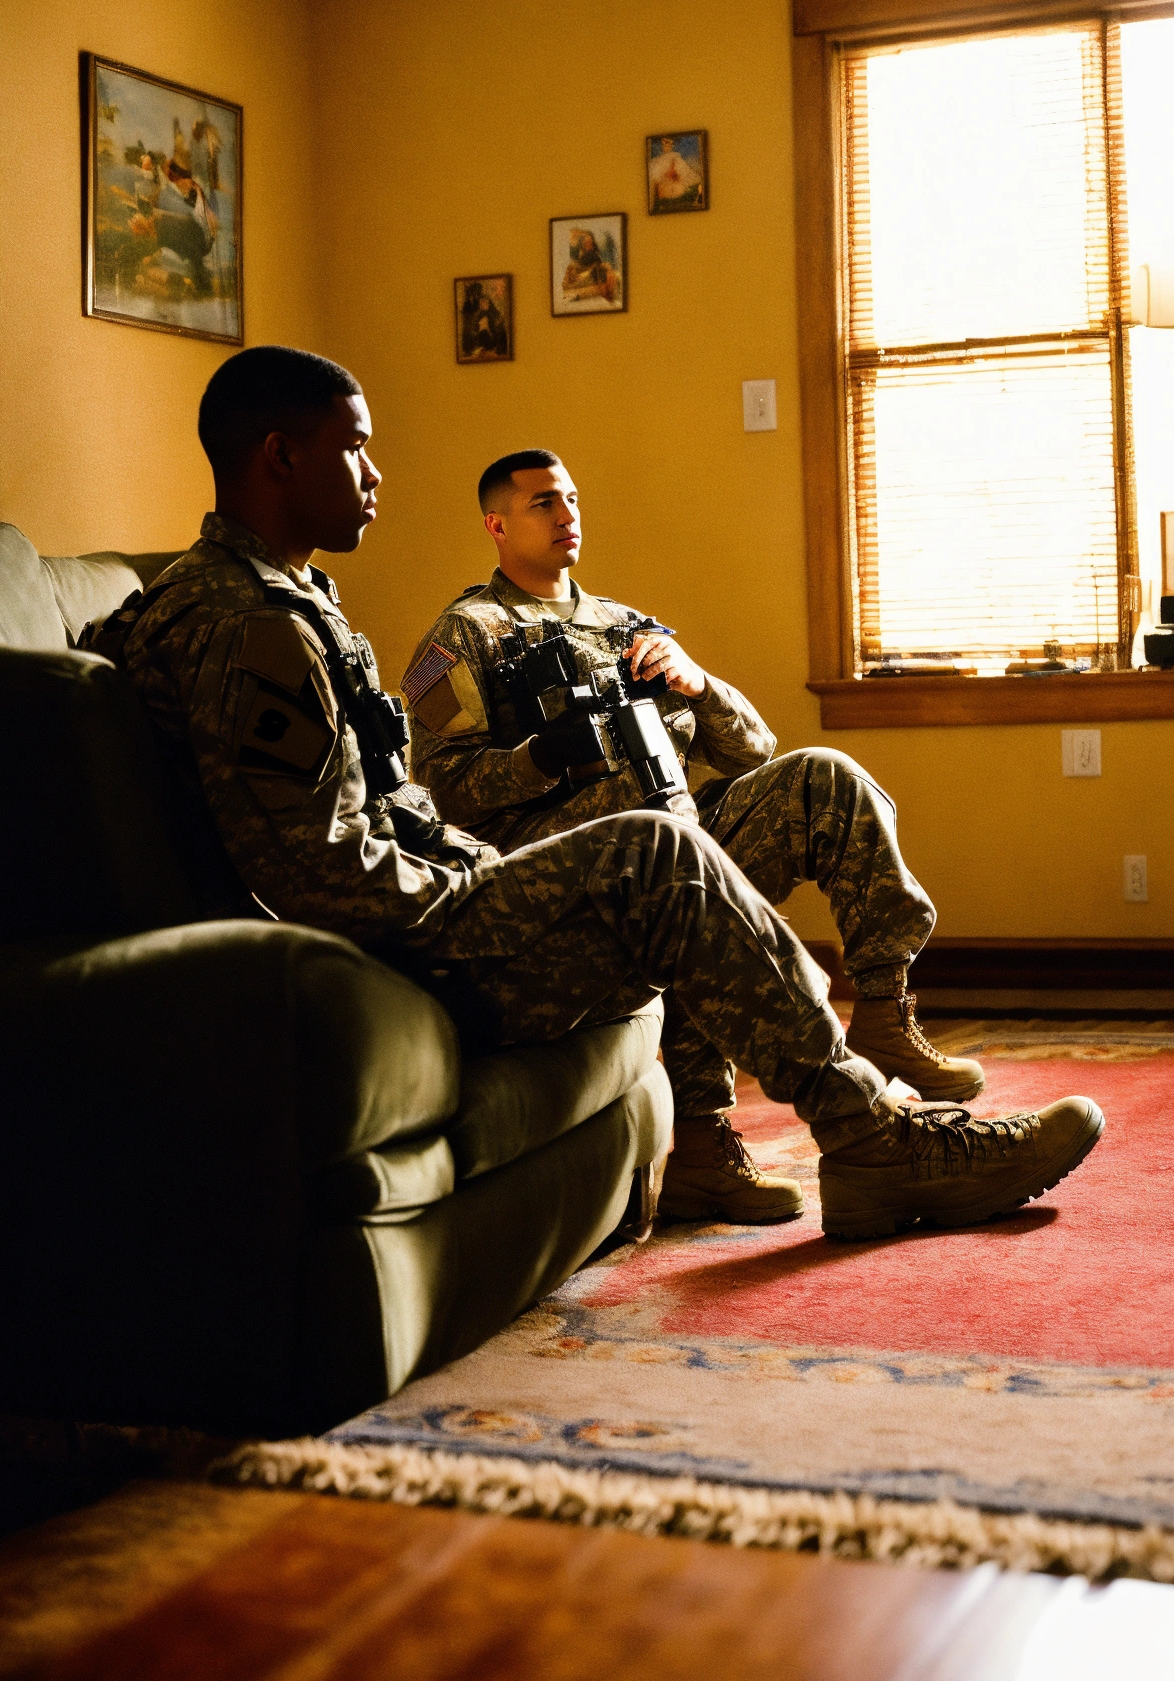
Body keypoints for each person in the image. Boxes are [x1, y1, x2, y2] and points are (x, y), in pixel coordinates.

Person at [106, 346, 1105, 1243]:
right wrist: (480, 879)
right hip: (415, 941)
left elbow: (741, 750)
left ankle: (872, 1096)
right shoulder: (260, 624)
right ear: (280, 456)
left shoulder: (281, 603)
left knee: (713, 824)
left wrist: (694, 683)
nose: (375, 475)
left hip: (447, 900)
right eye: (355, 449)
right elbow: (319, 860)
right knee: (652, 854)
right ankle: (872, 1138)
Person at [401, 448, 990, 1223]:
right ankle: (705, 1147)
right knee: (668, 851)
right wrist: (541, 758)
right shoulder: (465, 636)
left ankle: (883, 1006)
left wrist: (699, 682)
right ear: (497, 525)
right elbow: (446, 793)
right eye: (544, 502)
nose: (567, 514)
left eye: (572, 498)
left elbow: (754, 751)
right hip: (573, 865)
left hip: (678, 826)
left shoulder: (626, 626)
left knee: (825, 777)